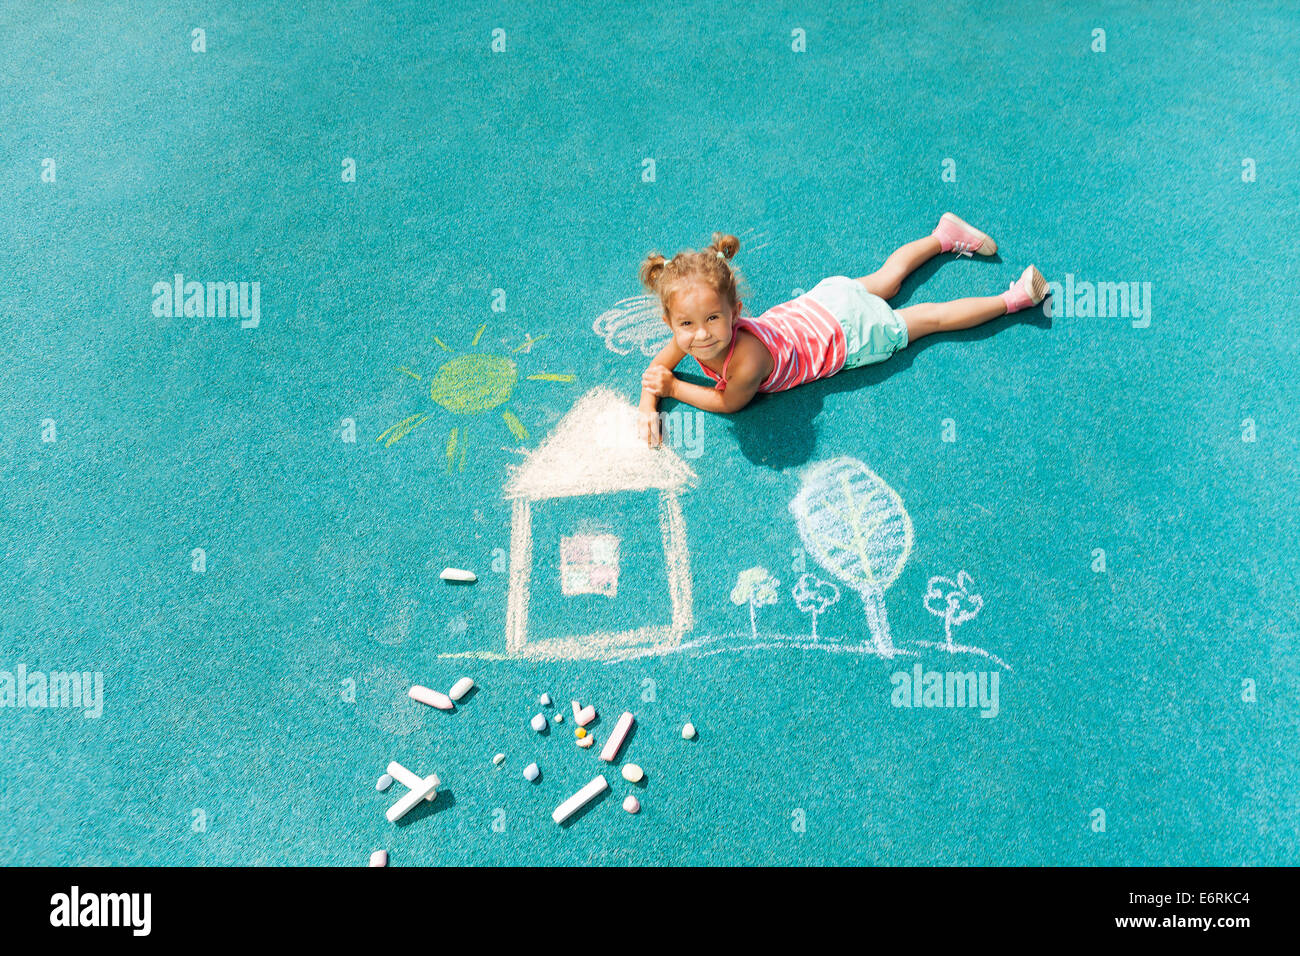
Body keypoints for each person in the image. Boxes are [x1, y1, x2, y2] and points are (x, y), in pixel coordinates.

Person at [637, 213, 1050, 446]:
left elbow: (729, 403)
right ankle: (942, 236)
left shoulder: (745, 359)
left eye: (712, 319)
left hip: (849, 337)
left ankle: (1012, 300)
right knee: (888, 278)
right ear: (670, 323)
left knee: (931, 318)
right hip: (822, 304)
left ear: (735, 311)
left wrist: (673, 390)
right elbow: (660, 367)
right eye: (687, 325)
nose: (701, 335)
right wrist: (646, 406)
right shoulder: (687, 336)